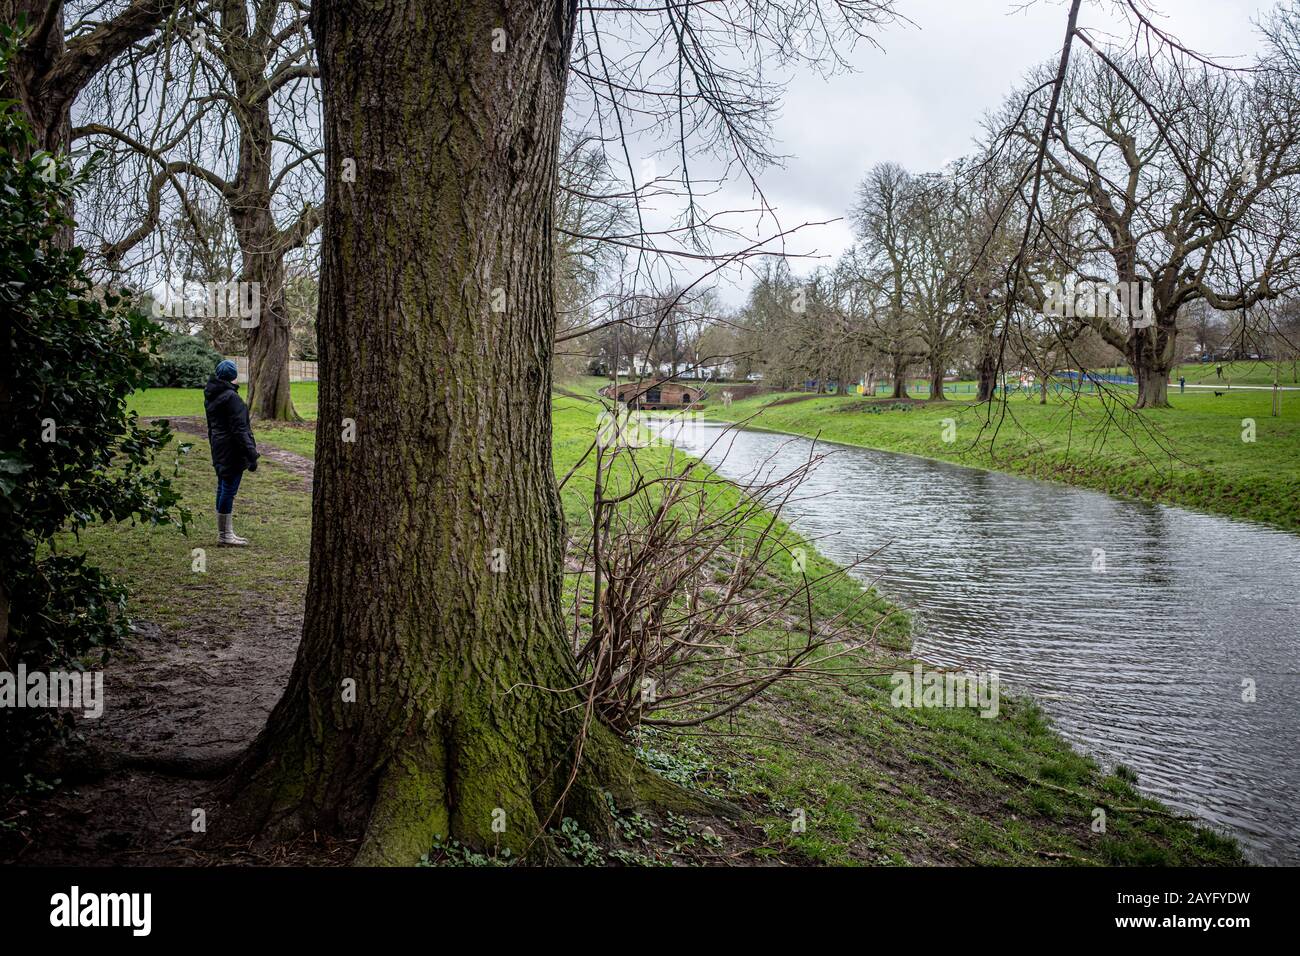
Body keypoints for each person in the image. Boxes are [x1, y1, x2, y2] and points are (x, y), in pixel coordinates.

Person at [203, 359, 260, 546]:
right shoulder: (231, 398)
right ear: (234, 376)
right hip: (231, 450)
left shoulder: (212, 396)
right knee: (228, 490)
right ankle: (225, 536)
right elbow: (240, 430)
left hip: (219, 448)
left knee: (223, 487)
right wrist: (252, 455)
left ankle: (225, 533)